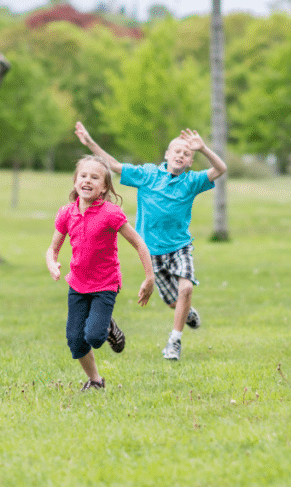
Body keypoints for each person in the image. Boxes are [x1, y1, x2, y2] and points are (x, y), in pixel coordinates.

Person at [74, 122, 226, 361]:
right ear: (167, 155)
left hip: (180, 247)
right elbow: (113, 166)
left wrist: (204, 149)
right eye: (177, 151)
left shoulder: (192, 181)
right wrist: (91, 143)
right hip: (151, 252)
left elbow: (220, 168)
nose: (181, 155)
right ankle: (186, 314)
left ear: (189, 163)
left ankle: (173, 342)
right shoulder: (147, 175)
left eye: (187, 154)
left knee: (186, 289)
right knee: (173, 301)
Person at [46, 156, 155, 390]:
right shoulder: (66, 213)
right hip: (77, 285)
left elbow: (139, 243)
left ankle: (107, 326)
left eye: (95, 177)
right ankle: (95, 381)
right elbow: (52, 249)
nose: (87, 180)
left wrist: (149, 277)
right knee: (75, 342)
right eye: (83, 176)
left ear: (104, 187)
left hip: (105, 283)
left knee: (95, 337)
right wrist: (52, 263)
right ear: (75, 181)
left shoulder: (111, 214)